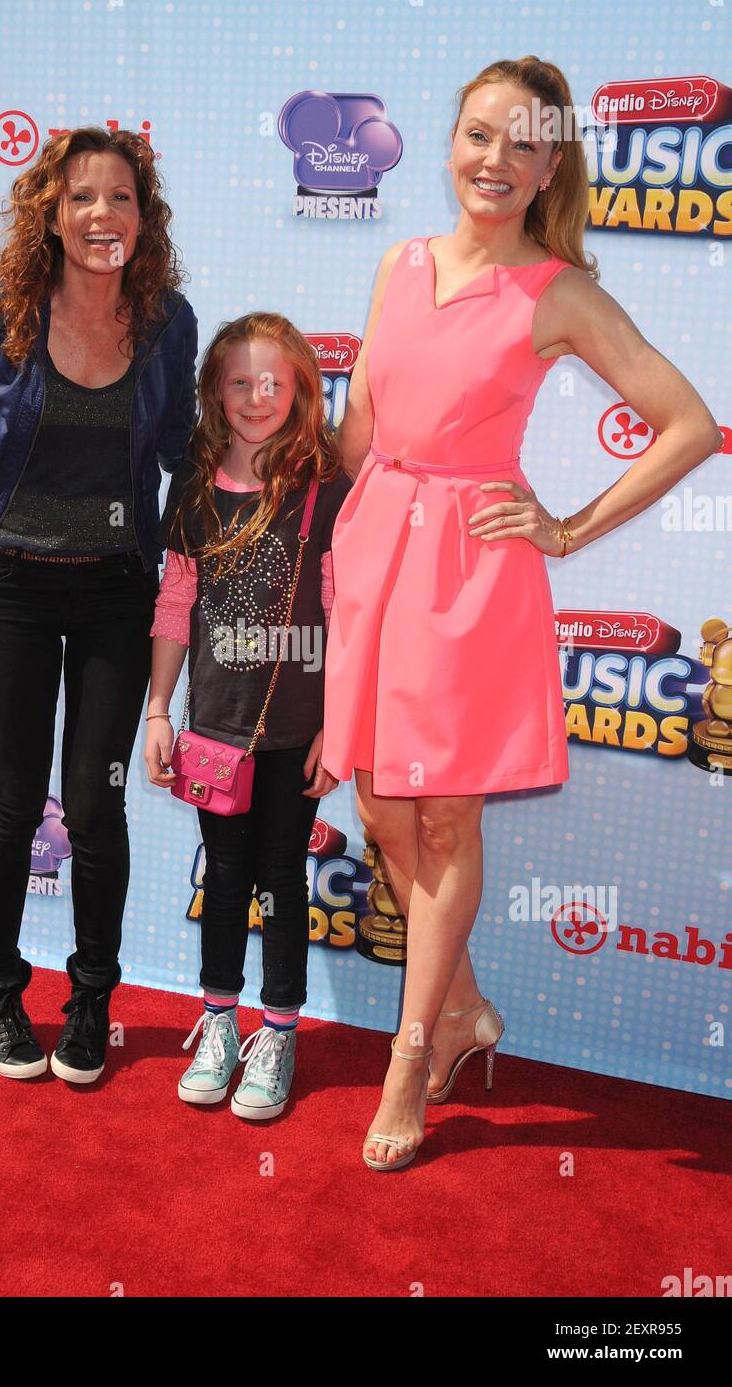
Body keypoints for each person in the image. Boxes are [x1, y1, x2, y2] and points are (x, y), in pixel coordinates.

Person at [319, 57, 724, 1170]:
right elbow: (361, 436)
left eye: (523, 144)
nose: (495, 160)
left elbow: (687, 423)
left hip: (467, 571)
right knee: (383, 811)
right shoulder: (400, 263)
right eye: (478, 135)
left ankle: (411, 1055)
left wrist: (568, 528)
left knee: (445, 819)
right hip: (374, 553)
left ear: (552, 166)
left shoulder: (558, 291)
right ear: (450, 143)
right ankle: (463, 1009)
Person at [0, 127, 198, 1084]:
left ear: (144, 219)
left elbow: (184, 452)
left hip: (115, 586)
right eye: (82, 199)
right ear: (51, 215)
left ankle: (93, 1003)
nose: (102, 216)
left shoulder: (167, 320)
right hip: (11, 586)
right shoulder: (1, 307)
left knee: (98, 812)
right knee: (15, 802)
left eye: (121, 199)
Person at [144, 313, 352, 1119]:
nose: (257, 397)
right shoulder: (194, 490)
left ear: (302, 389)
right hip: (214, 733)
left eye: (275, 381)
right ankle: (220, 1020)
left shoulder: (324, 491)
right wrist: (159, 710)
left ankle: (279, 1032)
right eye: (240, 382)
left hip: (297, 733)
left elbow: (344, 616)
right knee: (224, 880)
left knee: (282, 881)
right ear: (213, 392)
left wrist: (341, 725)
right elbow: (173, 603)